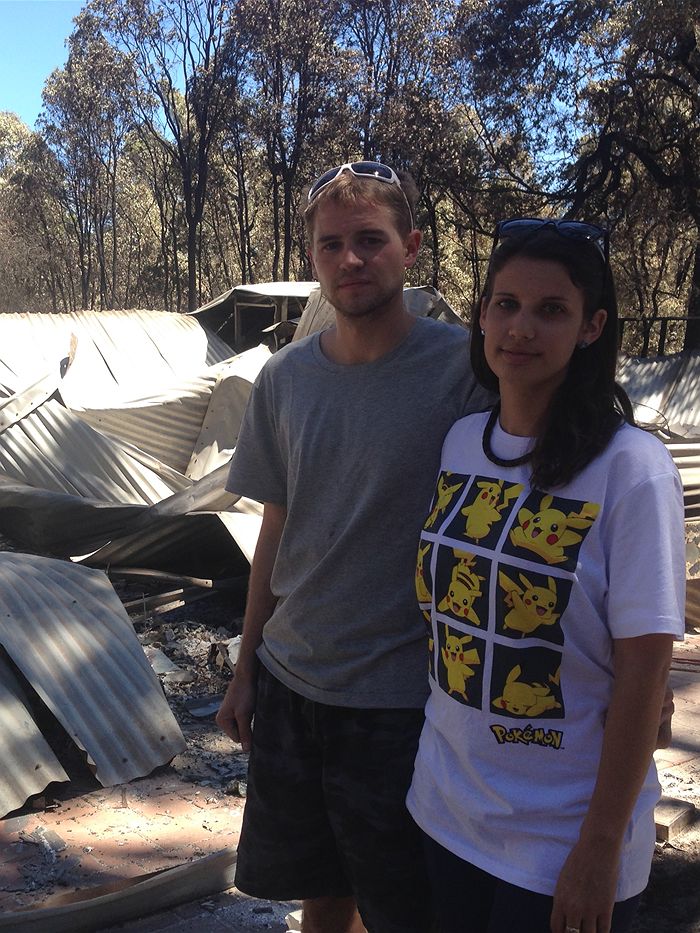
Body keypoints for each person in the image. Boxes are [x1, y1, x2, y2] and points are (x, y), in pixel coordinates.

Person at [215, 161, 492, 933]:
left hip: (405, 697)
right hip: (293, 680)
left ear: (411, 246)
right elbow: (277, 525)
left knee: (404, 902)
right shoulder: (284, 379)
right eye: (332, 245)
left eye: (370, 240)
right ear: (312, 258)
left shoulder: (468, 369)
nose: (351, 260)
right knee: (319, 888)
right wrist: (245, 671)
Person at [406, 218, 686, 933]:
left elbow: (645, 669)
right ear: (481, 315)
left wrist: (600, 844)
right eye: (505, 303)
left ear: (591, 326)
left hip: (559, 839)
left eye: (550, 309)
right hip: (444, 809)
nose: (521, 327)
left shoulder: (632, 468)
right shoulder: (462, 441)